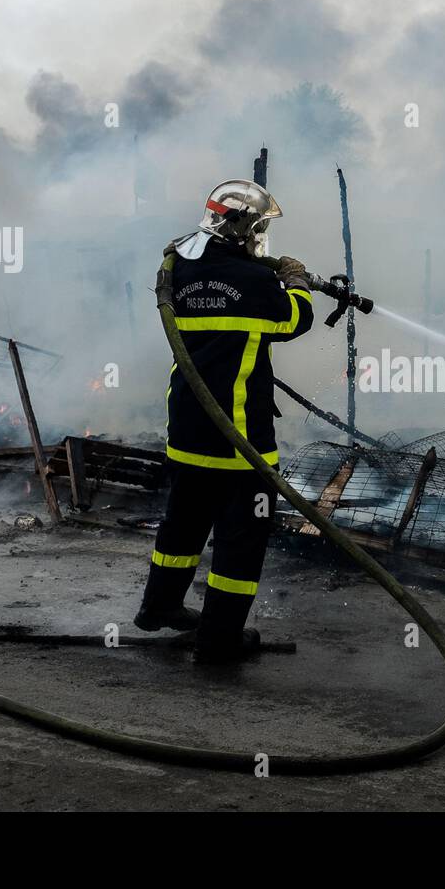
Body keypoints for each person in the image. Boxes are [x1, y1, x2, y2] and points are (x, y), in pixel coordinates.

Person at [133, 179, 313, 664]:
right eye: (257, 226)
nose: (260, 236)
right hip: (240, 445)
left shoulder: (179, 271)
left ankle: (159, 609)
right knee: (241, 542)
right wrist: (295, 280)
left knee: (183, 526)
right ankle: (218, 640)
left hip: (188, 432)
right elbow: (295, 320)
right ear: (238, 225)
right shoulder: (255, 283)